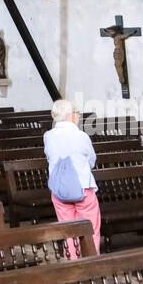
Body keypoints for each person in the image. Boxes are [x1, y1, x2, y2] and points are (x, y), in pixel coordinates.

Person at [43, 98, 101, 258]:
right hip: (82, 188)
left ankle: (72, 264)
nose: (78, 115)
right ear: (69, 115)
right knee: (90, 228)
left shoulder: (48, 136)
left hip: (59, 190)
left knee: (68, 229)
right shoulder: (80, 136)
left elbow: (49, 157)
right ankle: (91, 264)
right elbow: (91, 160)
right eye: (76, 112)